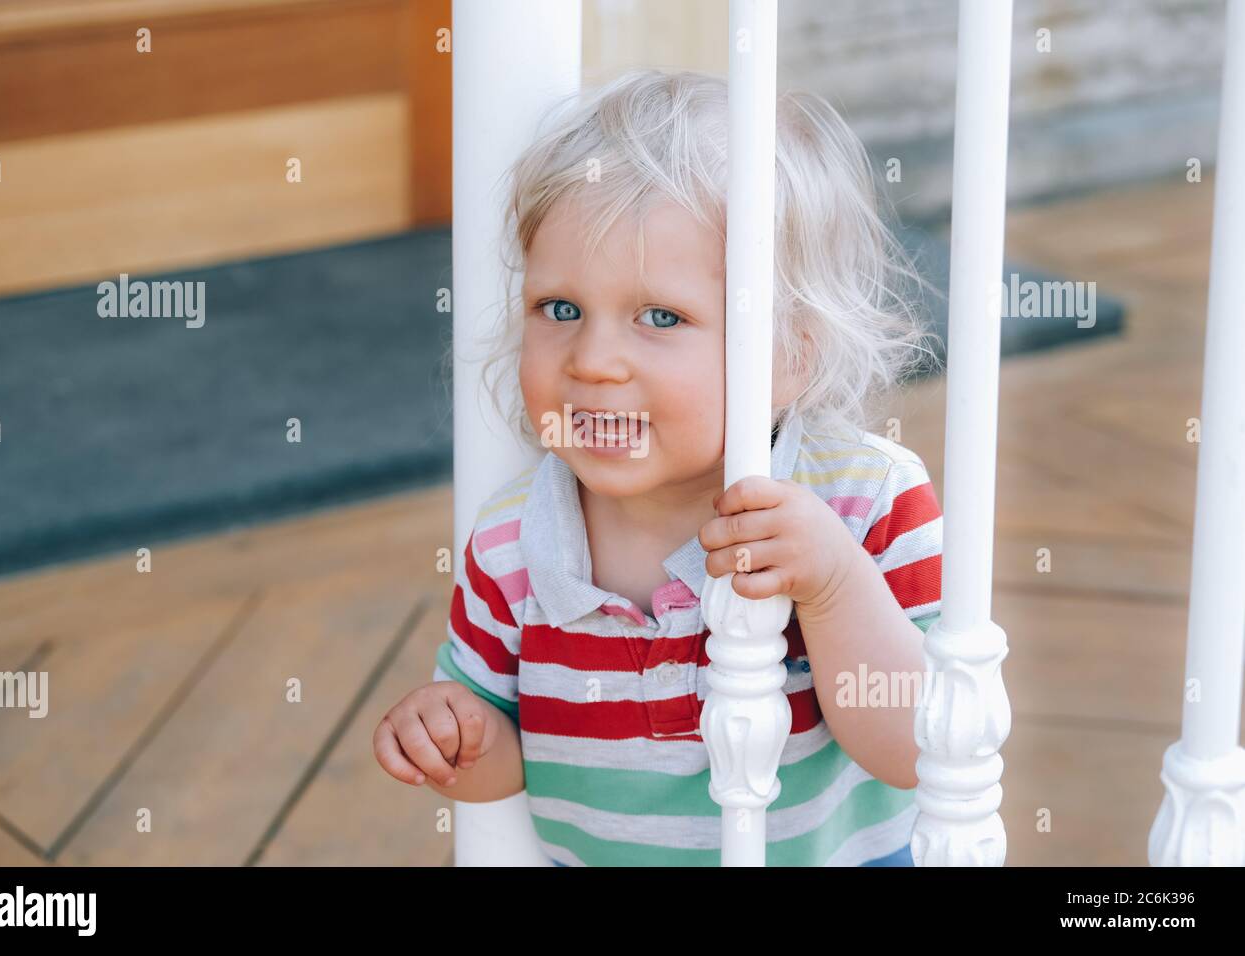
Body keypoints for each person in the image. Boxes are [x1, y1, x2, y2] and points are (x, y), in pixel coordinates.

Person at [375, 69, 943, 866]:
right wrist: (455, 736)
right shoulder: (512, 541)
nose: (595, 360)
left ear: (791, 355)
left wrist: (834, 584)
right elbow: (505, 755)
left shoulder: (865, 497)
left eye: (660, 316)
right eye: (560, 309)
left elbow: (919, 750)